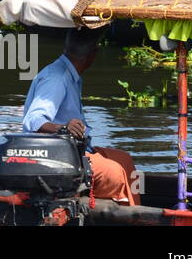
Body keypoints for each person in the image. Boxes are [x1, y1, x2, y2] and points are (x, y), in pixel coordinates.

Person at [22, 30, 137, 205]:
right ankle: (126, 210)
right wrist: (62, 128)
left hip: (77, 151)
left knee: (124, 160)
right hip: (57, 157)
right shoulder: (57, 78)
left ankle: (136, 207)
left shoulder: (68, 74)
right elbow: (34, 120)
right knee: (116, 171)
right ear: (93, 54)